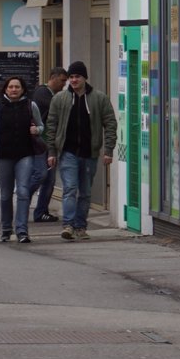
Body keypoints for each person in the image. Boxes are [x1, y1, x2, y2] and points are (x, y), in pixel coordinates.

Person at [44, 61, 117, 241]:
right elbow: (51, 126)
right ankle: (68, 225)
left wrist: (108, 150)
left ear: (85, 78)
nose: (74, 80)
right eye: (71, 77)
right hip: (67, 151)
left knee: (85, 192)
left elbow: (110, 123)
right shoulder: (59, 99)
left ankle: (80, 226)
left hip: (89, 152)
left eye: (77, 76)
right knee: (70, 188)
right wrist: (52, 151)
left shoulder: (99, 99)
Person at [0, 75, 44, 242]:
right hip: (4, 156)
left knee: (23, 191)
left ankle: (22, 230)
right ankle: (6, 228)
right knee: (5, 194)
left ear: (23, 89)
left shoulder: (30, 106)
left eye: (17, 87)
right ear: (5, 89)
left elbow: (41, 126)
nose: (14, 90)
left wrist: (37, 130)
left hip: (25, 154)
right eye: (11, 87)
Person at [29, 68, 65, 223]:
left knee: (50, 179)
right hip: (41, 143)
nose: (64, 84)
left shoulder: (52, 95)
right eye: (62, 80)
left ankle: (41, 212)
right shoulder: (42, 93)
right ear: (53, 78)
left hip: (50, 142)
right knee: (41, 175)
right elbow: (57, 110)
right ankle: (24, 196)